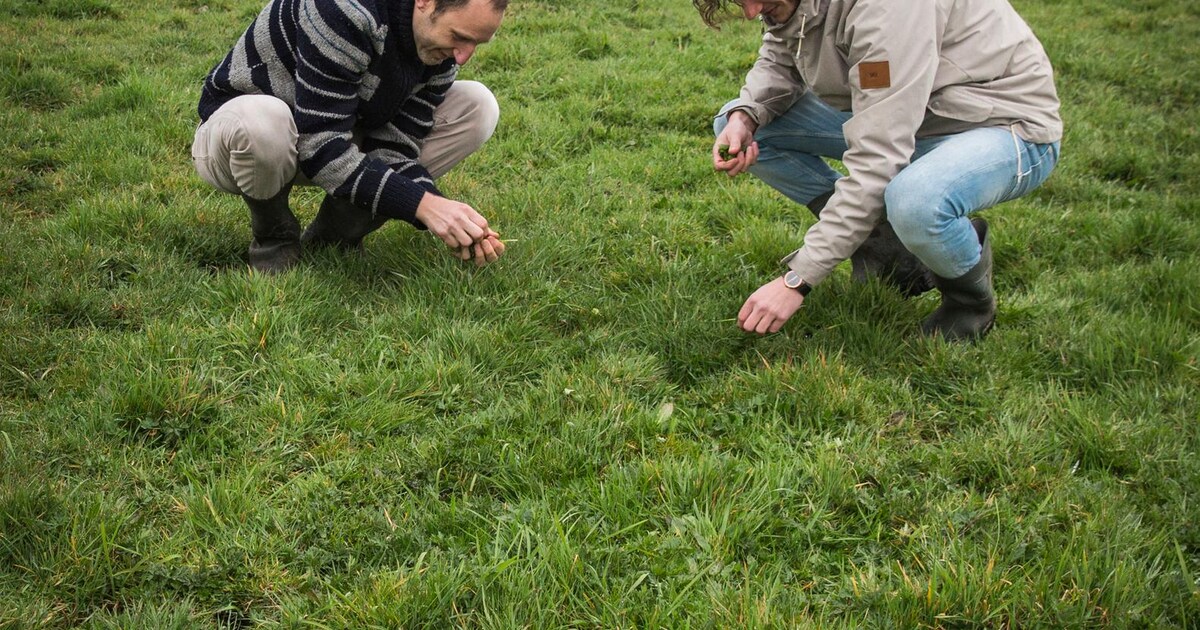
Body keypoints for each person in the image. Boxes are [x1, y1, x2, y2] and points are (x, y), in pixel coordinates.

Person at [696, 0, 1062, 341]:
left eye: (760, 0)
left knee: (916, 201)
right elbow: (781, 56)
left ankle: (970, 303)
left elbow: (878, 160)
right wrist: (746, 116)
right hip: (912, 113)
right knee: (751, 130)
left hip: (1002, 126)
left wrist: (797, 279)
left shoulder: (889, 11)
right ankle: (888, 248)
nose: (750, 12)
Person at [192, 0, 509, 273]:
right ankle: (274, 237)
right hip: (240, 142)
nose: (463, 56)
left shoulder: (439, 51)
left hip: (332, 135)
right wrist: (425, 206)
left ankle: (335, 237)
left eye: (476, 44)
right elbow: (321, 148)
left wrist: (447, 215)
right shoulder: (344, 9)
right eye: (459, 37)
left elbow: (395, 150)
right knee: (262, 122)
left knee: (478, 105)